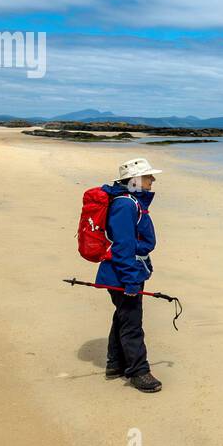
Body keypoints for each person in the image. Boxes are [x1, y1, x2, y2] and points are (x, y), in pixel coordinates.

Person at [97, 157, 163, 393]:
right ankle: (138, 371)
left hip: (125, 272)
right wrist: (131, 280)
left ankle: (115, 364)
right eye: (148, 177)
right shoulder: (126, 205)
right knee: (132, 323)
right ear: (135, 180)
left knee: (123, 316)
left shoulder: (132, 201)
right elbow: (123, 246)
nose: (152, 180)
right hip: (122, 273)